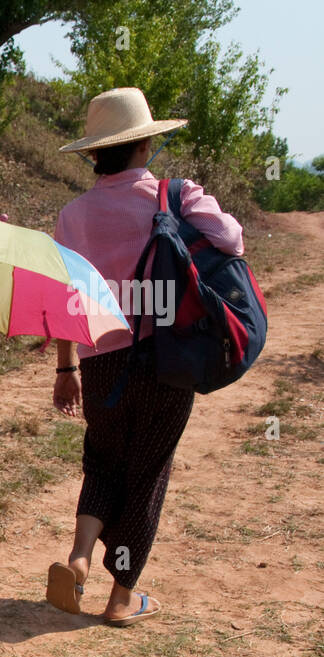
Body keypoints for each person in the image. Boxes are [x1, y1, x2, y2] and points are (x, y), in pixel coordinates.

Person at [46, 87, 244, 625]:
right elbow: (232, 240)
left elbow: (65, 299)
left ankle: (80, 557)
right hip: (166, 355)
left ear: (94, 152)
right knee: (149, 468)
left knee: (103, 457)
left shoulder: (72, 215)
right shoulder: (172, 195)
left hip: (99, 358)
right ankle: (120, 596)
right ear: (145, 144)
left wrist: (66, 368)